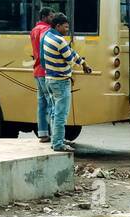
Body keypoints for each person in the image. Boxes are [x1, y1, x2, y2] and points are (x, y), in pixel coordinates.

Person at [41, 13, 93, 152]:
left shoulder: (47, 36)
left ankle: (56, 139)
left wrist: (83, 63)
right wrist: (80, 64)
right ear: (58, 26)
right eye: (65, 26)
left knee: (53, 112)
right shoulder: (59, 40)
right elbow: (70, 58)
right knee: (61, 114)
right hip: (60, 81)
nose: (67, 29)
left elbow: (70, 52)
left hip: (49, 79)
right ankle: (58, 144)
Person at [30, 7, 55, 143]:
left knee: (42, 104)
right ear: (45, 17)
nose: (53, 19)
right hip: (45, 71)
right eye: (51, 16)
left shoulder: (34, 30)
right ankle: (55, 135)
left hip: (37, 70)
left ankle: (43, 133)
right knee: (51, 104)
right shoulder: (45, 31)